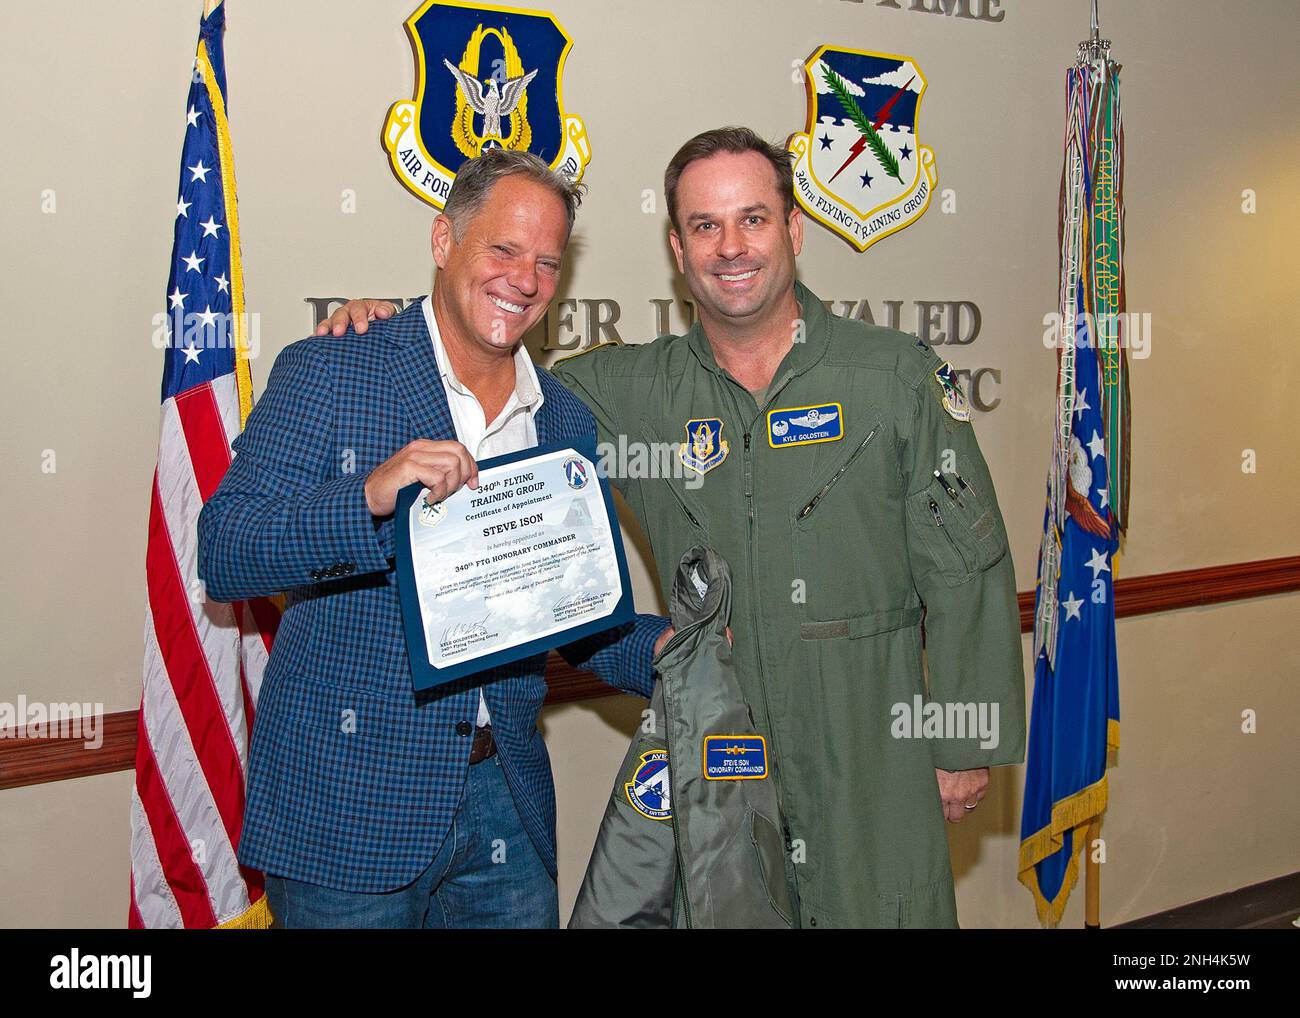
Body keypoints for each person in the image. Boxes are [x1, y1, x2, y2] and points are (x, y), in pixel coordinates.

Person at [322, 127, 1026, 928]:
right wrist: (387, 330)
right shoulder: (624, 391)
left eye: (753, 220)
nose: (731, 246)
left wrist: (967, 742)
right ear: (678, 248)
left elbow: (967, 565)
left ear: (792, 230)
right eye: (705, 226)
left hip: (872, 749)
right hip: (717, 749)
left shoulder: (892, 376)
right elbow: (486, 367)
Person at [198, 149, 672, 929]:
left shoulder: (561, 419)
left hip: (505, 810)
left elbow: (581, 615)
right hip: (348, 815)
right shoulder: (334, 369)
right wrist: (370, 497)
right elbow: (225, 549)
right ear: (443, 240)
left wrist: (673, 655)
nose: (524, 279)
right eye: (503, 248)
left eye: (547, 262)